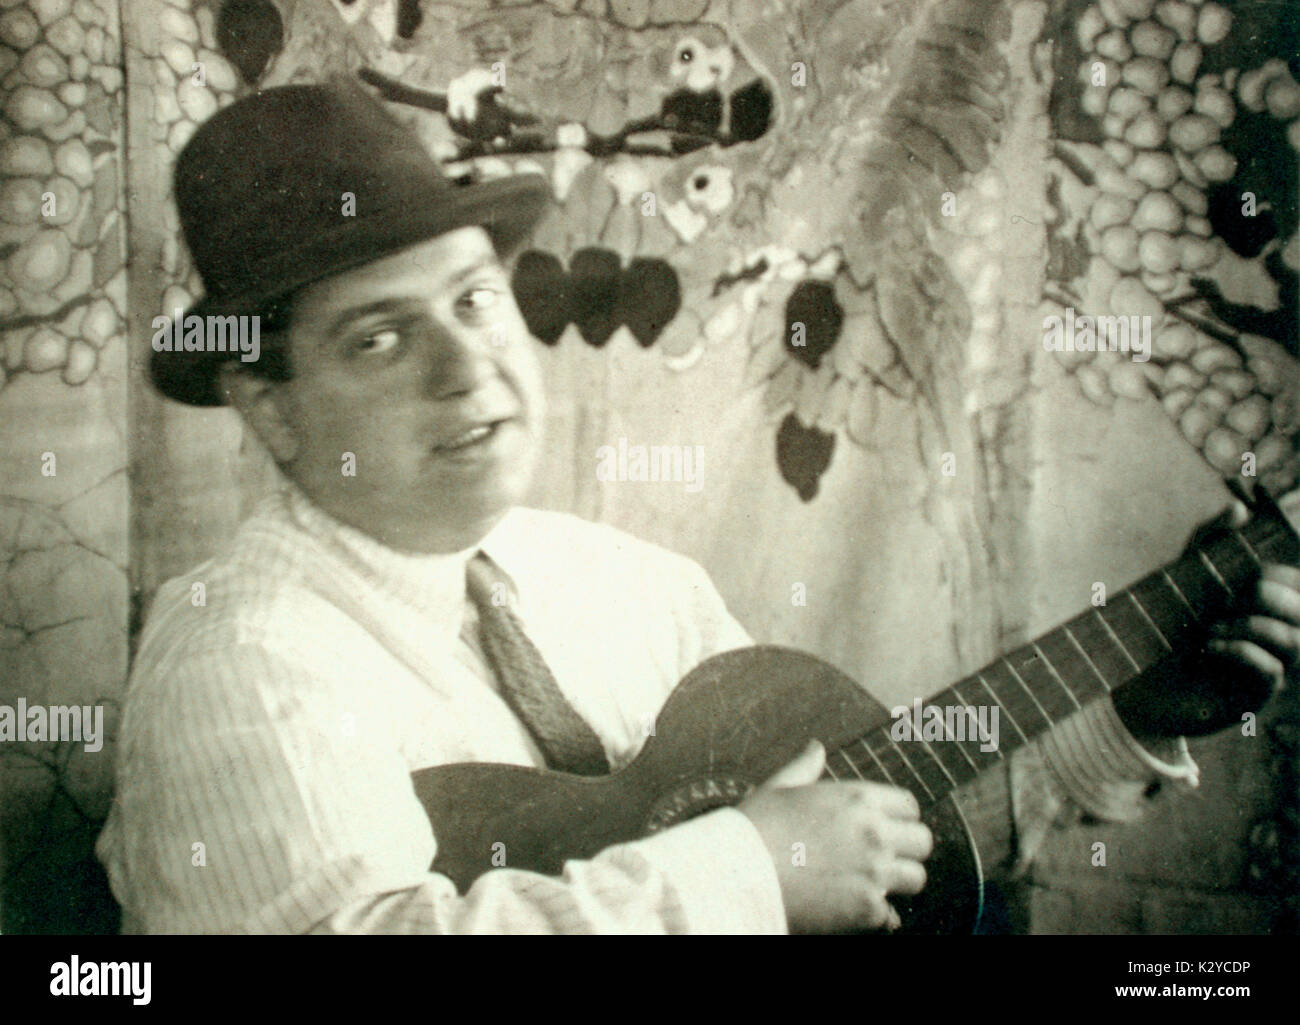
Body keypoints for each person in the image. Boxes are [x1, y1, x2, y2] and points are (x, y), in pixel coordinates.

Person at [96, 79, 1300, 934]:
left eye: (473, 302)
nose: (466, 371)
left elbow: (877, 846)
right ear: (269, 405)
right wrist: (745, 877)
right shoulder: (241, 660)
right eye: (377, 337)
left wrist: (1127, 712)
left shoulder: (627, 586)